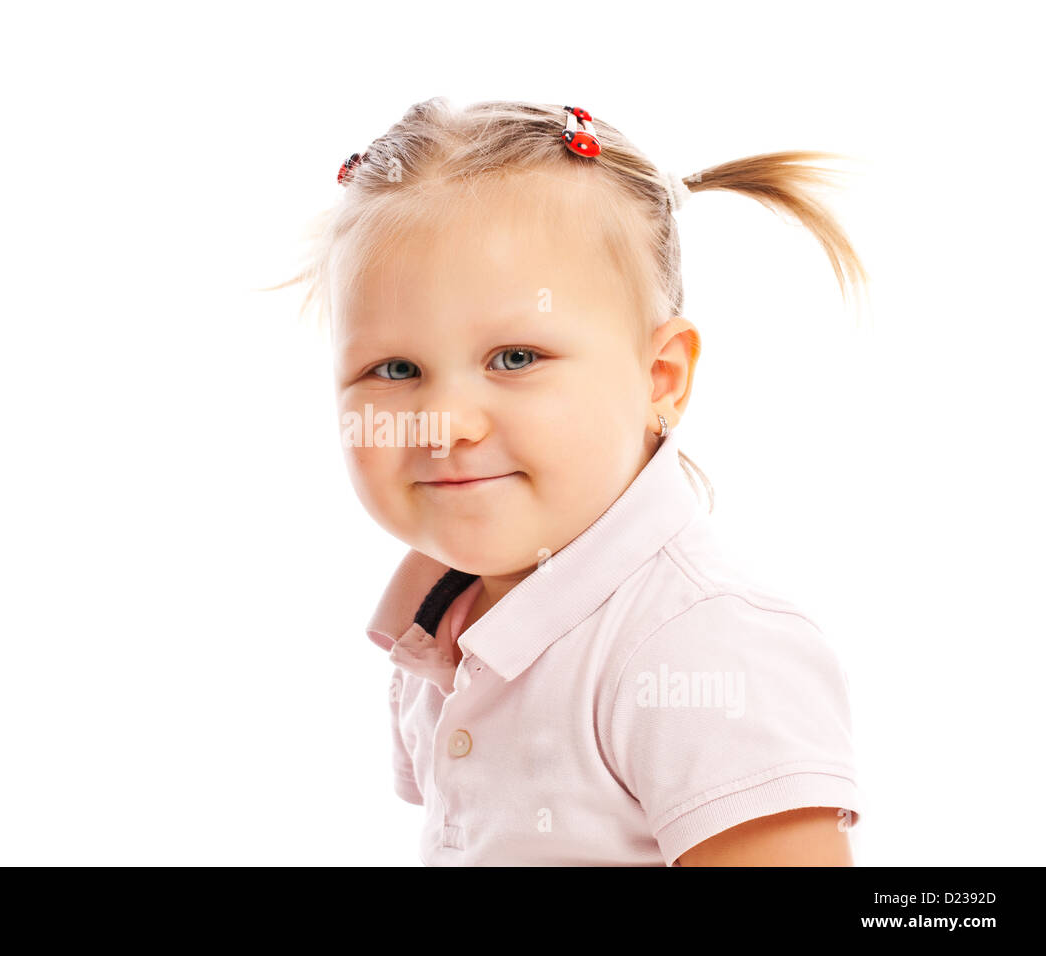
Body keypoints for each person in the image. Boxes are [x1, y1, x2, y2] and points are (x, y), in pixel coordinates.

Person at [271, 97, 867, 866]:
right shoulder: (437, 621)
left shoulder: (700, 647)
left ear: (660, 378)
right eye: (395, 368)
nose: (445, 422)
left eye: (514, 358)